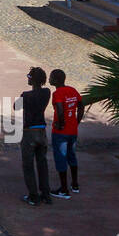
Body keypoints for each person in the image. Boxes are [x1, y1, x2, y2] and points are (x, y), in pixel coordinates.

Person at [15, 66, 53, 205]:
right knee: (42, 164)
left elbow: (16, 107)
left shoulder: (26, 95)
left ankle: (33, 195)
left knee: (28, 165)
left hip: (29, 132)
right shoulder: (47, 92)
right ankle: (46, 195)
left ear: (31, 80)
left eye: (29, 76)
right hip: (42, 131)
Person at [50, 68, 84, 198]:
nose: (49, 79)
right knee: (72, 156)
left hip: (60, 132)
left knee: (61, 158)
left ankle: (63, 189)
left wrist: (61, 123)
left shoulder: (57, 93)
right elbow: (81, 105)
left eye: (51, 77)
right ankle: (75, 184)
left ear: (56, 80)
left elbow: (59, 108)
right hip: (73, 130)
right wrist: (77, 121)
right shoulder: (72, 90)